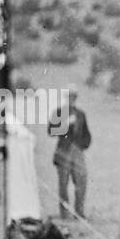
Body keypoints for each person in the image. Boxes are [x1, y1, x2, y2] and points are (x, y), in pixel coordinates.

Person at [48, 89, 91, 219]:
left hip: (77, 152)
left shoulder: (80, 114)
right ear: (66, 97)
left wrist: (81, 145)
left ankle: (79, 212)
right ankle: (64, 214)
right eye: (70, 96)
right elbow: (51, 131)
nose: (72, 98)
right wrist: (65, 125)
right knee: (63, 183)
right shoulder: (59, 112)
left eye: (74, 96)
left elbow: (87, 134)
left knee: (81, 181)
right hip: (63, 151)